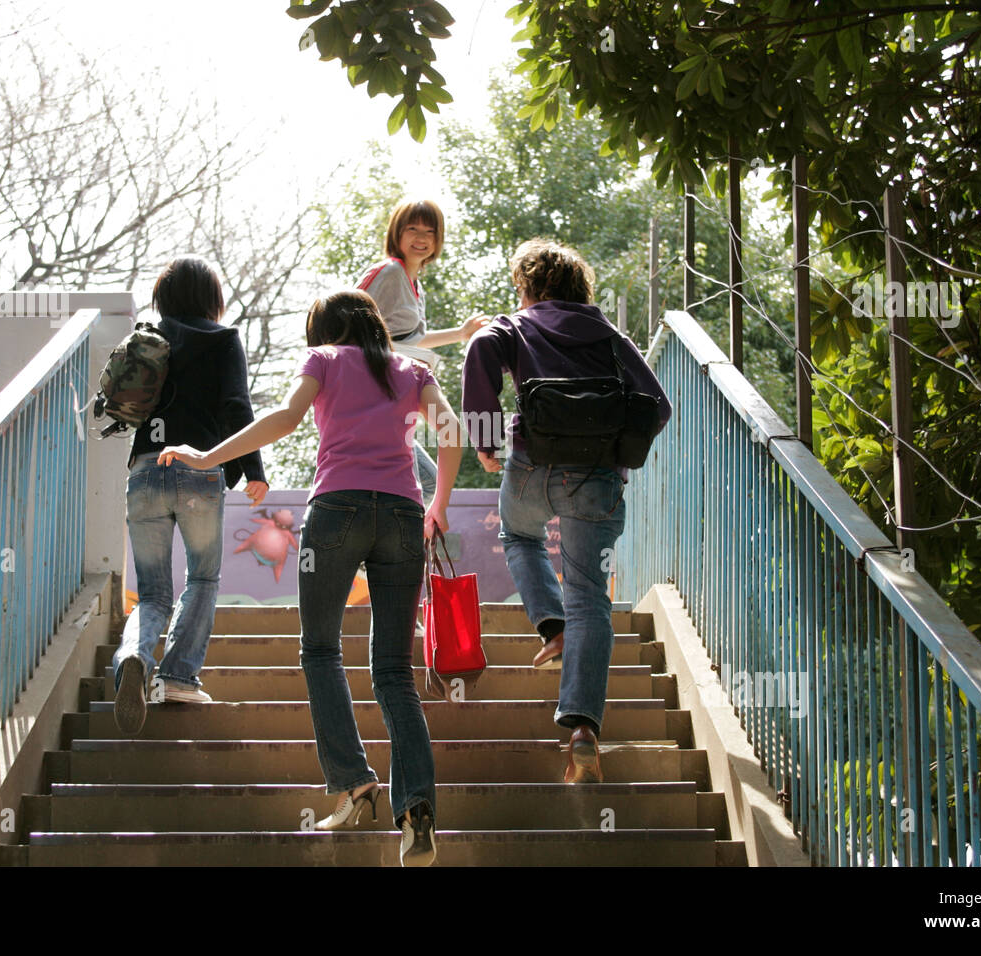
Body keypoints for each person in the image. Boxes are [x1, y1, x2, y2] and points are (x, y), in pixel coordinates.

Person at [159, 289, 461, 867]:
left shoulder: (323, 360)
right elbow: (449, 430)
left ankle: (353, 780)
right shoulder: (412, 369)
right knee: (395, 672)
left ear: (324, 330)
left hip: (338, 514)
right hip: (402, 516)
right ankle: (416, 809)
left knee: (320, 649)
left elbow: (285, 418)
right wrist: (439, 503)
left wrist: (205, 457)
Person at [461, 238, 671, 784]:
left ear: (530, 286)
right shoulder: (610, 336)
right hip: (596, 482)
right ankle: (582, 726)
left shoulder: (516, 325)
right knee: (590, 598)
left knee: (520, 536)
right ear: (581, 288)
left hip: (530, 467)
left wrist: (485, 440)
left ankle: (551, 626)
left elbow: (481, 344)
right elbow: (659, 405)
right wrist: (617, 455)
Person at [112, 255, 269, 736]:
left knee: (153, 591)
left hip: (144, 471)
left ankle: (133, 657)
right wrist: (253, 469)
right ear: (211, 296)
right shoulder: (222, 339)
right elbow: (235, 406)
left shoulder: (147, 337)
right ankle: (178, 676)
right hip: (198, 470)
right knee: (202, 577)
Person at [358, 198, 488, 500]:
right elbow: (349, 323)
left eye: (430, 232)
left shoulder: (414, 282)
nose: (421, 238)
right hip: (371, 399)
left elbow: (410, 338)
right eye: (412, 229)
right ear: (396, 233)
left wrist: (460, 333)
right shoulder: (389, 272)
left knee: (421, 485)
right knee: (423, 484)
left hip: (393, 398)